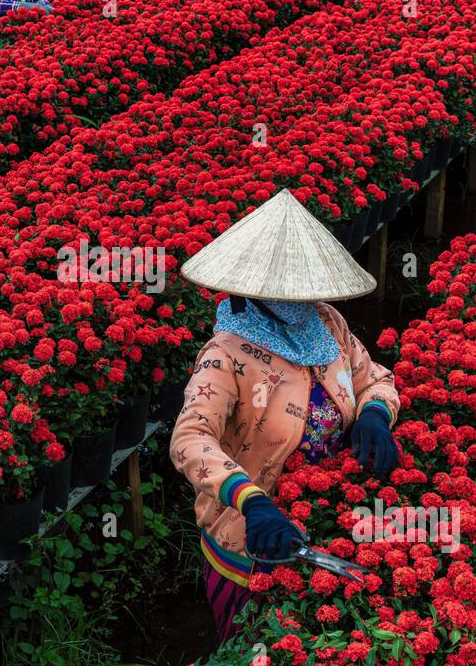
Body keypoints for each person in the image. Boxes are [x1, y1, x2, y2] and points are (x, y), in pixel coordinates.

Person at [170, 189, 401, 642]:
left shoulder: (327, 324)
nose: (304, 299)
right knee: (254, 653)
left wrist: (374, 413)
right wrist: (252, 502)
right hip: (254, 533)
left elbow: (374, 378)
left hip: (329, 514)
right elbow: (189, 438)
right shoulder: (225, 354)